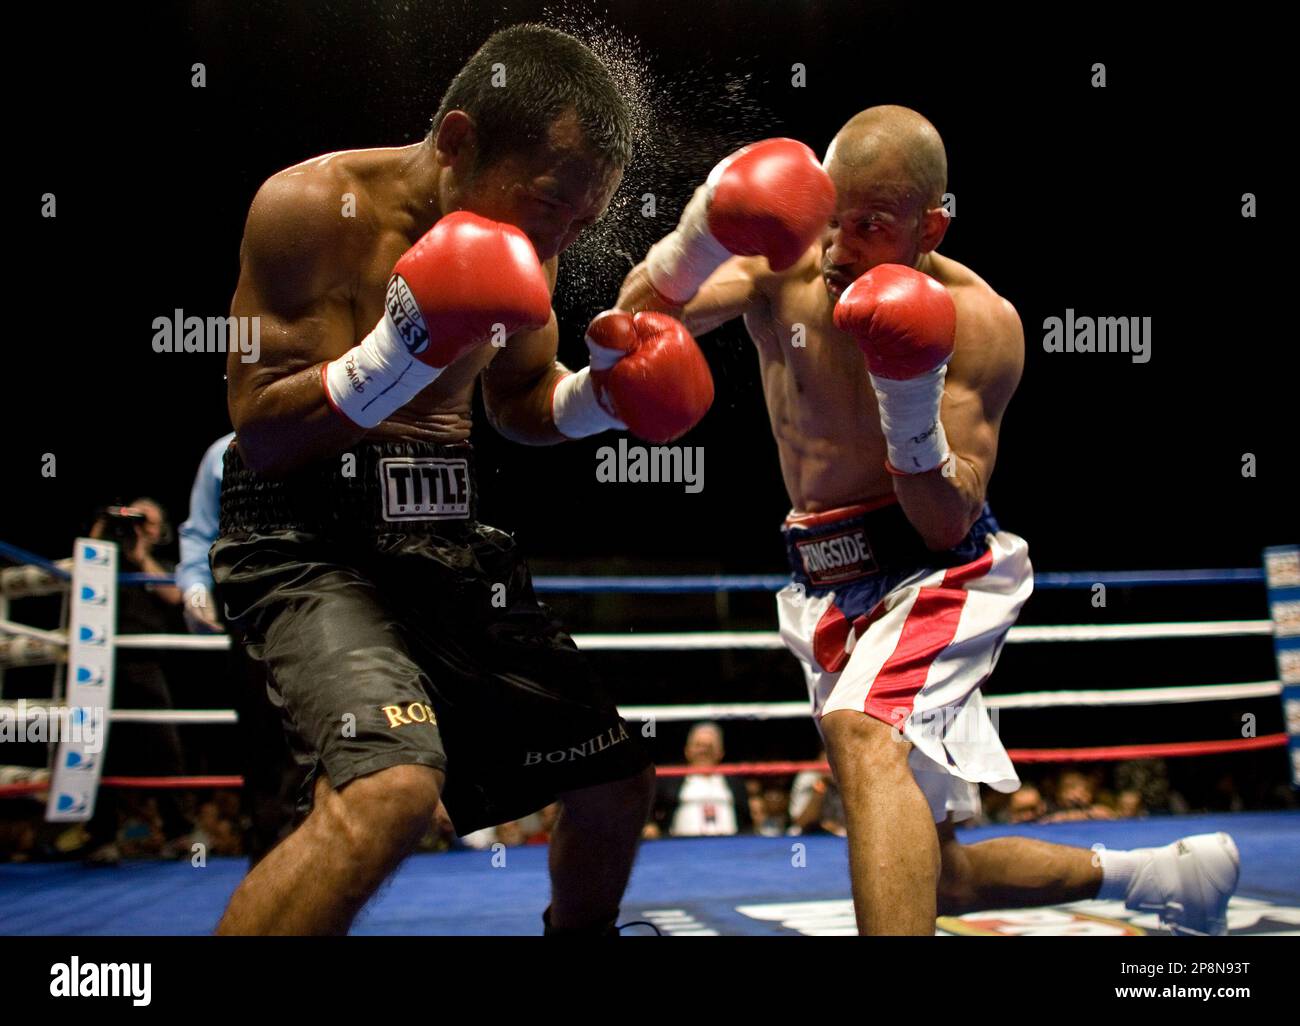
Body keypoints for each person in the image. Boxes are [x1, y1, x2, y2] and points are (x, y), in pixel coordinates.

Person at [616, 106, 1240, 935]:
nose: (839, 248)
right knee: (943, 879)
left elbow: (949, 521)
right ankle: (1163, 875)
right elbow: (633, 329)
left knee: (862, 731)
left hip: (936, 569)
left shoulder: (981, 321)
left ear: (931, 223)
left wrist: (907, 397)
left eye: (870, 226)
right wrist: (696, 231)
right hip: (824, 588)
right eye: (832, 218)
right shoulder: (783, 269)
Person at [211, 24, 712, 936]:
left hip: (440, 533)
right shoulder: (310, 209)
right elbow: (263, 433)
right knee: (394, 792)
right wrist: (397, 353)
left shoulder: (532, 236)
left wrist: (603, 402)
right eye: (547, 206)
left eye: (581, 222)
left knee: (614, 780)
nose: (557, 237)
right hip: (305, 540)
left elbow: (518, 400)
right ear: (455, 141)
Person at [178, 431, 302, 865]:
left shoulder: (339, 435)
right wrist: (194, 587)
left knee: (330, 737)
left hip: (333, 607)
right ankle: (271, 860)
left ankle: (324, 857)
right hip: (251, 614)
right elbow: (199, 532)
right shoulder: (222, 453)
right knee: (264, 741)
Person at [646, 722, 752, 837]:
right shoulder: (671, 781)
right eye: (698, 745)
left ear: (720, 753)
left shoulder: (734, 782)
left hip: (730, 848)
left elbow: (746, 820)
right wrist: (650, 825)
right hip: (681, 849)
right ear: (687, 751)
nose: (703, 751)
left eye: (709, 747)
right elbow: (646, 806)